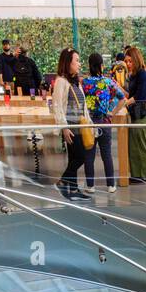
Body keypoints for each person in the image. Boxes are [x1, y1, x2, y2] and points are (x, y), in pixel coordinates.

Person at [81, 51, 129, 194]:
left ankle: (90, 186)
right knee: (106, 154)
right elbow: (123, 99)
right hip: (105, 121)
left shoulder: (84, 83)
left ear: (89, 66)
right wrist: (111, 113)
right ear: (101, 66)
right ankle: (111, 185)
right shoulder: (109, 82)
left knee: (89, 155)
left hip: (89, 123)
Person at [52, 47, 93, 201]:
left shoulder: (75, 82)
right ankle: (63, 181)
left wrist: (89, 123)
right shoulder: (61, 81)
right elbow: (57, 106)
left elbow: (84, 106)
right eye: (76, 60)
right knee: (80, 157)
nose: (79, 64)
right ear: (68, 63)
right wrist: (64, 127)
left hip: (79, 126)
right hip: (70, 127)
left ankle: (73, 189)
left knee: (74, 158)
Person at [124, 46, 146, 183]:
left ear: (136, 59)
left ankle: (143, 175)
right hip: (134, 115)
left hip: (141, 116)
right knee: (134, 147)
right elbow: (131, 95)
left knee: (141, 147)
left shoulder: (142, 74)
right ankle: (136, 175)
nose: (128, 64)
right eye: (126, 61)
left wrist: (126, 102)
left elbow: (140, 96)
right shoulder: (133, 75)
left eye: (130, 61)